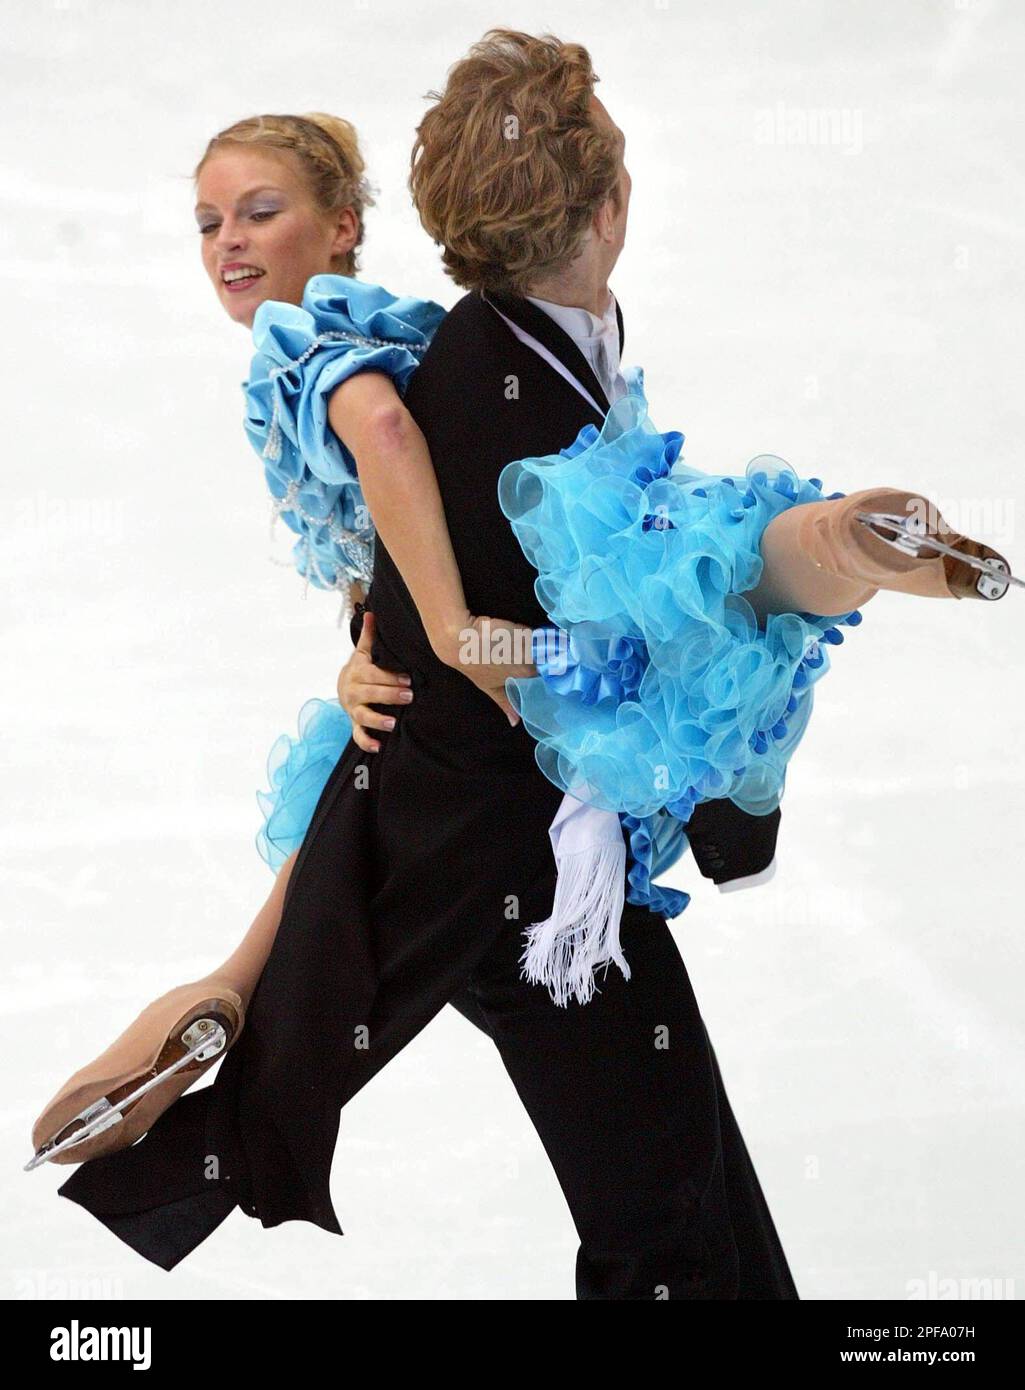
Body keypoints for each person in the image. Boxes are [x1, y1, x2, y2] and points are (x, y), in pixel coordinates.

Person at [32, 33, 1017, 1299]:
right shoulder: (482, 381)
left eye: (253, 211)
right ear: (611, 206)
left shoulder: (491, 344)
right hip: (526, 870)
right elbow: (493, 523)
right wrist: (442, 629)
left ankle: (230, 1028)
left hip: (466, 813)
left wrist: (386, 633)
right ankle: (830, 545)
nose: (226, 239)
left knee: (684, 1172)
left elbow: (401, 518)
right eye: (214, 219)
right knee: (661, 1218)